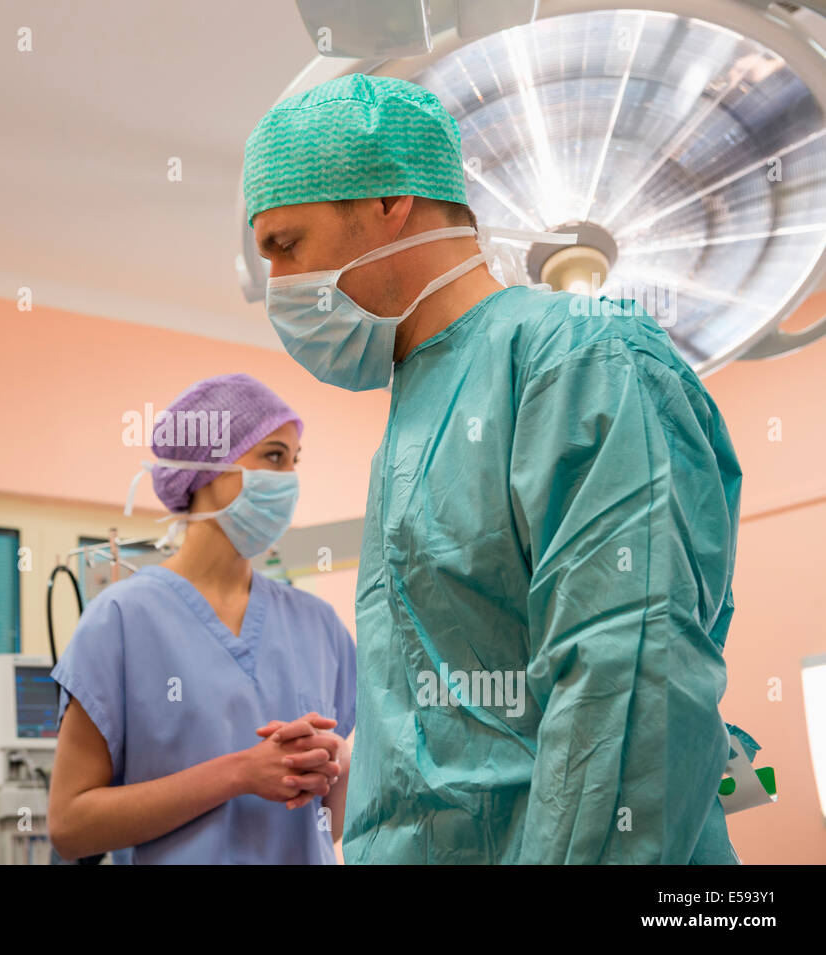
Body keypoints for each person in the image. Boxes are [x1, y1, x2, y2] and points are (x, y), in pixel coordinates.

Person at [243, 73, 745, 863]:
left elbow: (631, 684)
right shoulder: (411, 423)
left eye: (286, 245)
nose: (278, 285)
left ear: (386, 201)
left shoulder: (580, 356)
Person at [48, 373, 357, 864]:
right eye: (273, 456)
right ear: (205, 467)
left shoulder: (320, 627)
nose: (289, 480)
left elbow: (329, 827)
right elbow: (69, 827)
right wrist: (240, 773)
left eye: (295, 461)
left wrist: (337, 764)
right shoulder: (121, 621)